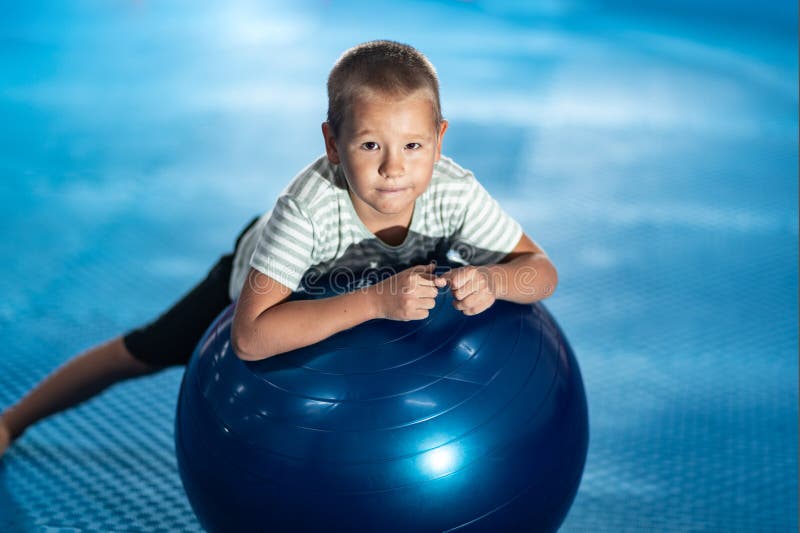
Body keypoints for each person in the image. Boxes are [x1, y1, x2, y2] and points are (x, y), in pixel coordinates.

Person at [0, 40, 558, 458]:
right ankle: (13, 419)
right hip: (265, 277)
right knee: (145, 350)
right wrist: (374, 302)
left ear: (439, 139)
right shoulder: (308, 208)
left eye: (413, 145)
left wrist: (495, 281)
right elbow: (250, 336)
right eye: (370, 145)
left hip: (375, 294)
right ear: (332, 144)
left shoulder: (454, 190)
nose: (394, 167)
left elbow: (542, 272)